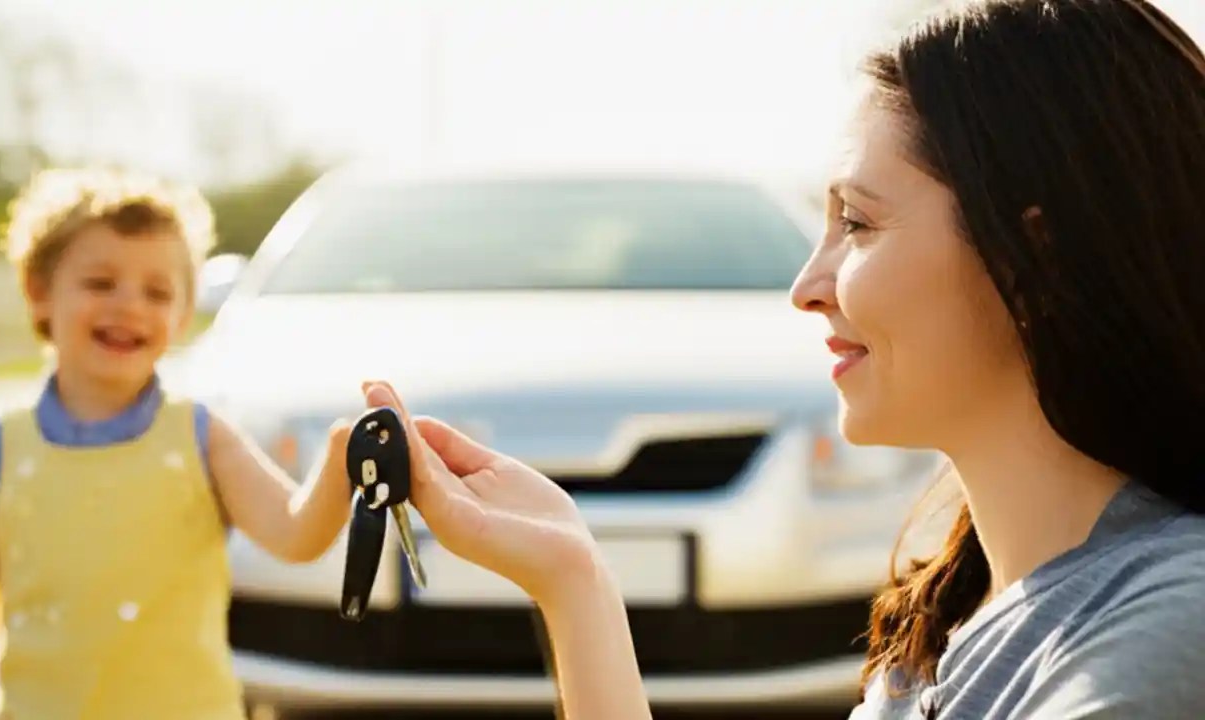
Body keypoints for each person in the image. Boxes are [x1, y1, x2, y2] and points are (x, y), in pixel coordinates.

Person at [359, 0, 1205, 717]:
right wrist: (572, 579)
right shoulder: (958, 612)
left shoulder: (1168, 628)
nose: (807, 285)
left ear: (1032, 258)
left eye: (859, 224)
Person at [0, 167, 357, 719]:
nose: (129, 305)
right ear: (39, 292)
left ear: (181, 315)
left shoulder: (203, 437)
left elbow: (297, 536)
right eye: (101, 283)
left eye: (157, 292)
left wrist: (340, 462)